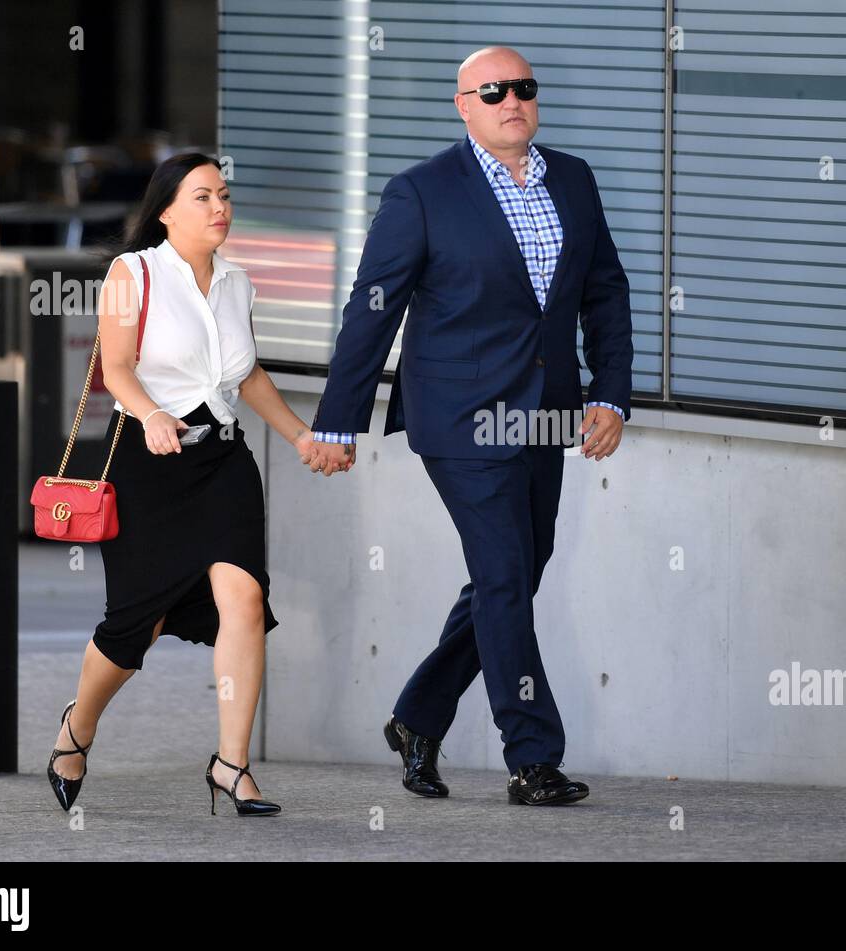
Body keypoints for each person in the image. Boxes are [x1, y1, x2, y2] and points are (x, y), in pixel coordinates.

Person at [305, 47, 633, 805]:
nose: (511, 100)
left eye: (522, 88)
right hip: (461, 416)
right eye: (492, 91)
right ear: (463, 104)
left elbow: (605, 293)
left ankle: (417, 715)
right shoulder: (421, 192)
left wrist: (609, 395)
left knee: (516, 568)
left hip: (549, 411)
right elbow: (371, 309)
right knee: (506, 573)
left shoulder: (573, 180)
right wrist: (338, 421)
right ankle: (533, 756)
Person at [46, 152, 328, 816]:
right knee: (132, 626)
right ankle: (76, 728)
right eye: (202, 196)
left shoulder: (237, 281)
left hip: (223, 460)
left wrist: (300, 435)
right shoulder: (132, 272)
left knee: (245, 602)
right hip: (149, 466)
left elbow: (247, 375)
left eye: (225, 195)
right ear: (166, 209)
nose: (219, 208)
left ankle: (232, 765)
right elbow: (115, 368)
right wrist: (150, 415)